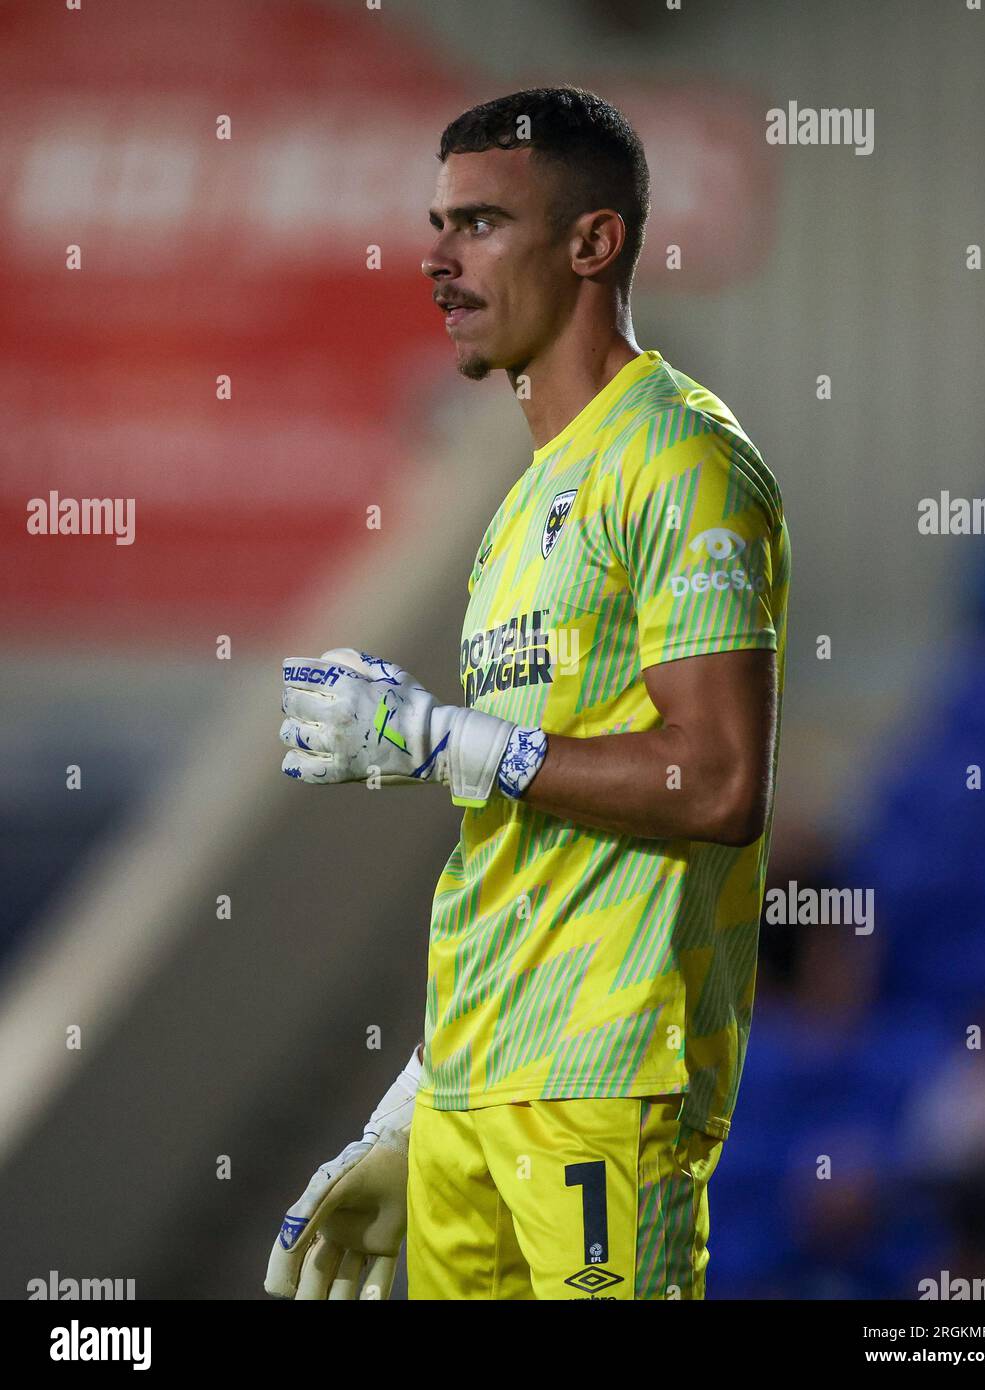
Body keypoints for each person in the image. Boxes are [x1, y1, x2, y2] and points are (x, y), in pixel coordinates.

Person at [266, 86, 790, 1302]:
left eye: (481, 225)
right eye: (437, 223)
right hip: (472, 1095)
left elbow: (718, 781)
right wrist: (414, 1103)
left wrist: (450, 740)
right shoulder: (517, 509)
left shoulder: (682, 459)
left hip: (603, 1090)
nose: (436, 259)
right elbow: (523, 853)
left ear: (593, 243)